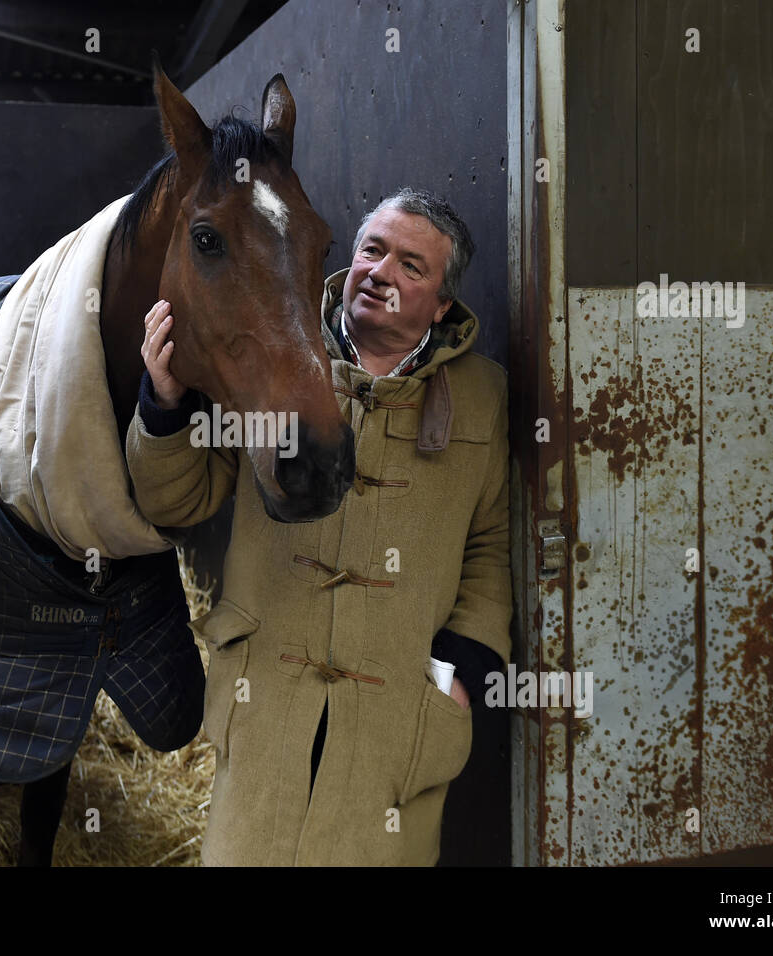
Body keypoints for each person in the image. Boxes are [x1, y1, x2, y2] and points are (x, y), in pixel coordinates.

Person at [125, 186, 511, 865]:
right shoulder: (270, 352)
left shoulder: (485, 397)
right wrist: (163, 407)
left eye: (411, 266)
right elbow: (176, 503)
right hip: (266, 697)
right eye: (373, 249)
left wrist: (464, 670)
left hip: (399, 719)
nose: (382, 273)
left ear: (442, 304)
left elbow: (491, 544)